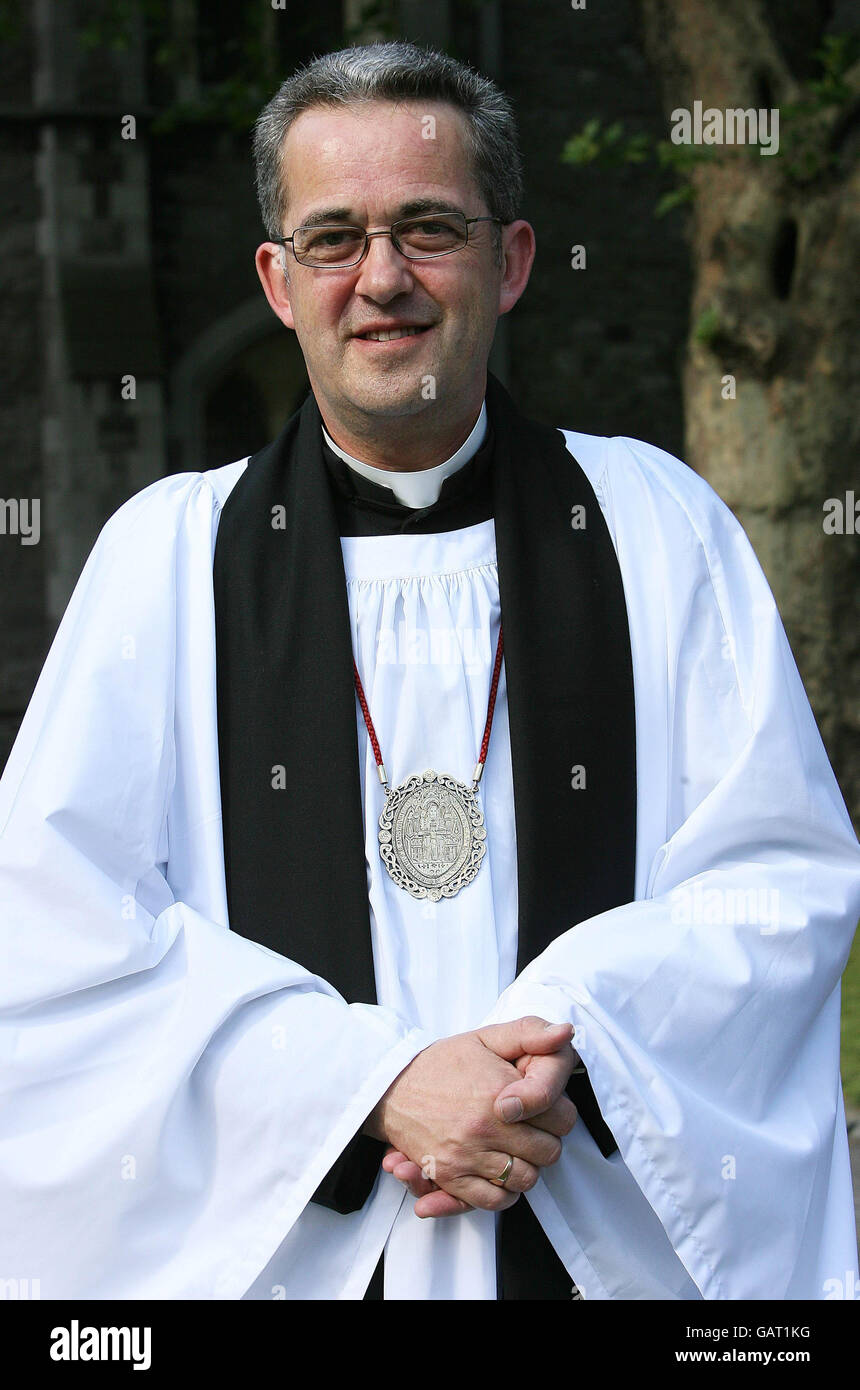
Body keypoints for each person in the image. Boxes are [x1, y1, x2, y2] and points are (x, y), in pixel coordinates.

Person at [0, 40, 857, 1303]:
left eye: (428, 229)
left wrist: (544, 1053)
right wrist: (374, 1084)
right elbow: (53, 925)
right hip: (294, 1249)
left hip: (580, 1229)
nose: (381, 279)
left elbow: (773, 879)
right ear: (277, 280)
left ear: (508, 263)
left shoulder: (650, 523)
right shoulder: (165, 557)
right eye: (333, 237)